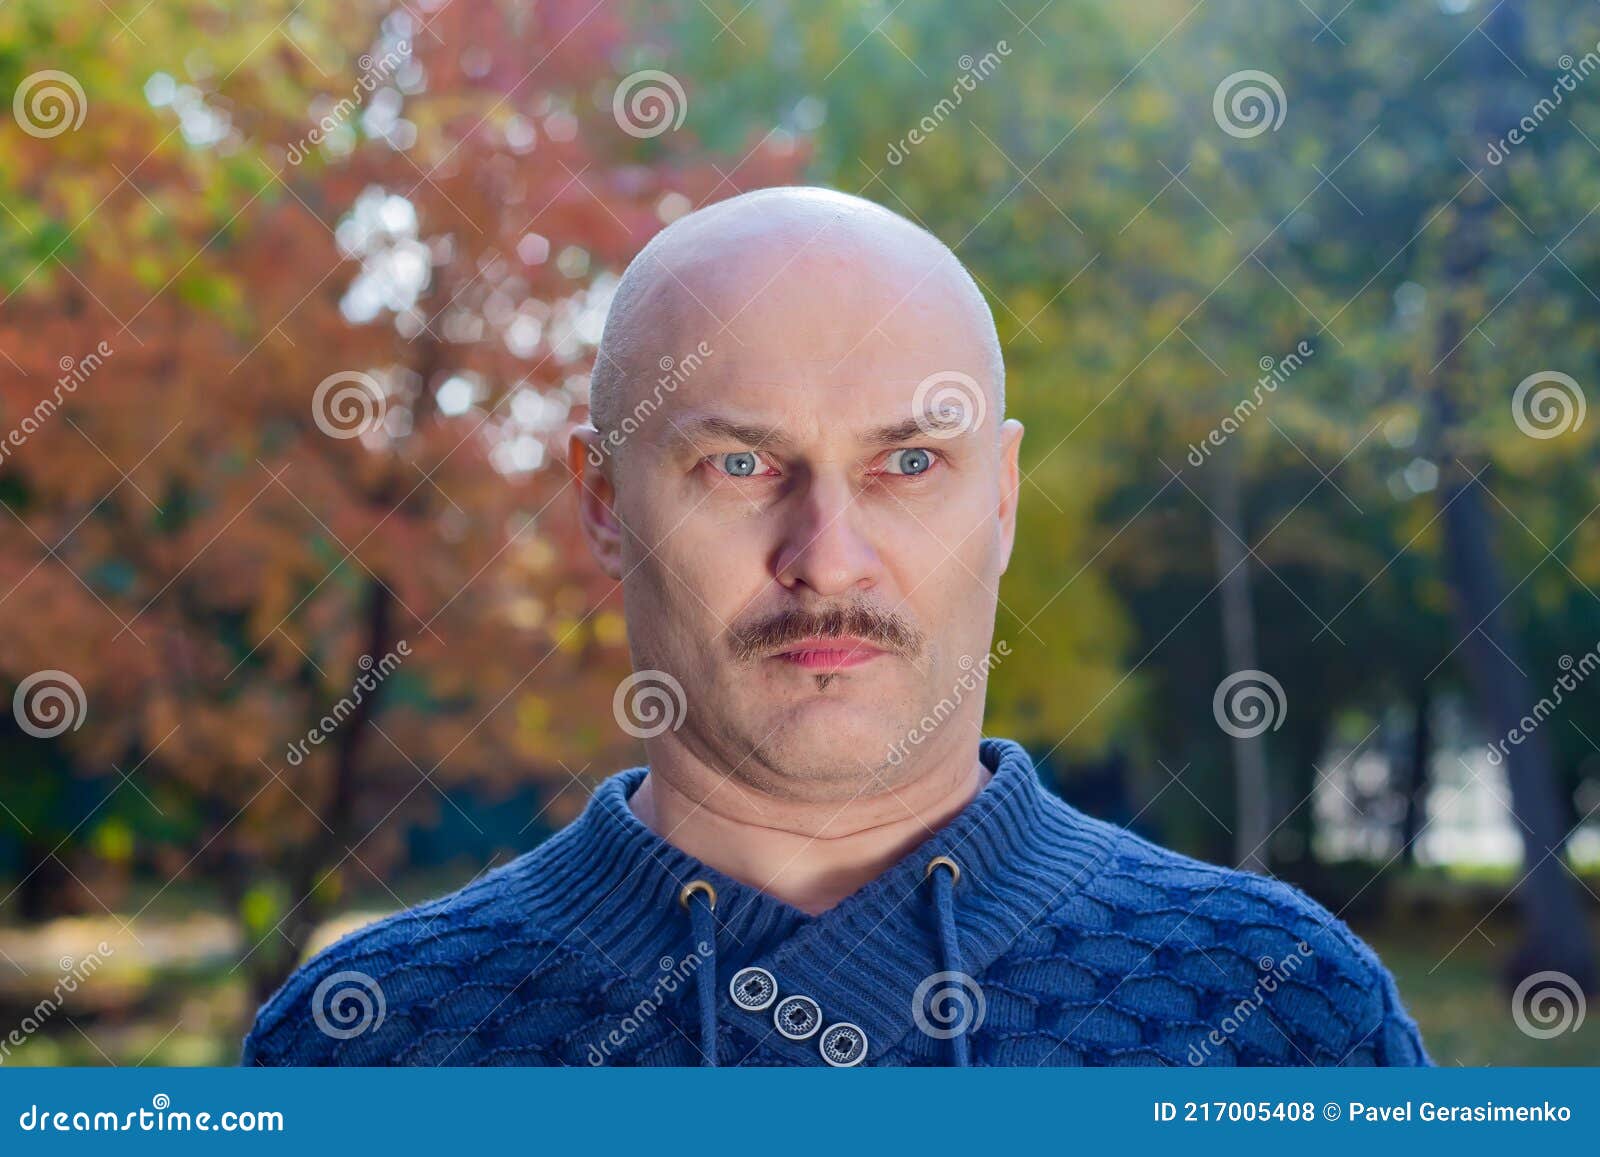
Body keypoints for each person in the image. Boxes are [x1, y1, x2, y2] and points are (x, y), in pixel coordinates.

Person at [243, 187, 1429, 1067]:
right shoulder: (371, 1043)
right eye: (740, 463)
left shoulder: (1284, 1009)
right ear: (602, 502)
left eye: (908, 462)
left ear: (1001, 500)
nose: (826, 556)